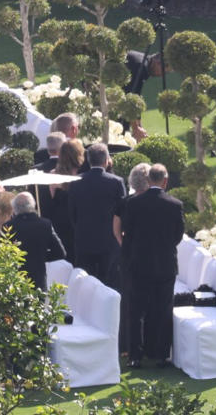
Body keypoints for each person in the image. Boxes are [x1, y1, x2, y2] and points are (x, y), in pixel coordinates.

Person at [123, 164, 184, 368]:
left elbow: (128, 234)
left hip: (139, 264)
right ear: (165, 181)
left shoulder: (133, 204)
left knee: (136, 311)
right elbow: (178, 236)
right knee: (163, 309)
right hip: (165, 265)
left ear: (148, 180)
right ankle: (160, 354)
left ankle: (135, 356)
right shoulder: (175, 205)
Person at [68, 143, 125, 287]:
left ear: (88, 160)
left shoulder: (76, 182)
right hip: (110, 241)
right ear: (106, 160)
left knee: (86, 284)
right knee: (110, 284)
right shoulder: (116, 182)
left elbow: (72, 213)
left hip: (84, 240)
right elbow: (123, 211)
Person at [112, 161, 151, 354]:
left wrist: (122, 243)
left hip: (129, 255)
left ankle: (128, 345)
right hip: (146, 256)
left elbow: (116, 227)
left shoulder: (125, 202)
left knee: (129, 301)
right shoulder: (149, 202)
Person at [3, 192, 66, 290]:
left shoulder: (8, 226)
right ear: (33, 205)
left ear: (14, 208)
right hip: (38, 278)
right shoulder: (45, 224)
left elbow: (2, 254)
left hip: (16, 280)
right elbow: (60, 253)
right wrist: (41, 257)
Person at [40, 138, 84, 263]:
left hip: (59, 221)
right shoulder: (82, 175)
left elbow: (49, 201)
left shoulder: (54, 175)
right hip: (77, 220)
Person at [124, 51, 164, 141]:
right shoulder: (140, 66)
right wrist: (136, 128)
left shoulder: (143, 62)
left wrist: (139, 126)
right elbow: (130, 98)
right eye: (163, 72)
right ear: (158, 63)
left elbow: (135, 97)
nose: (161, 76)